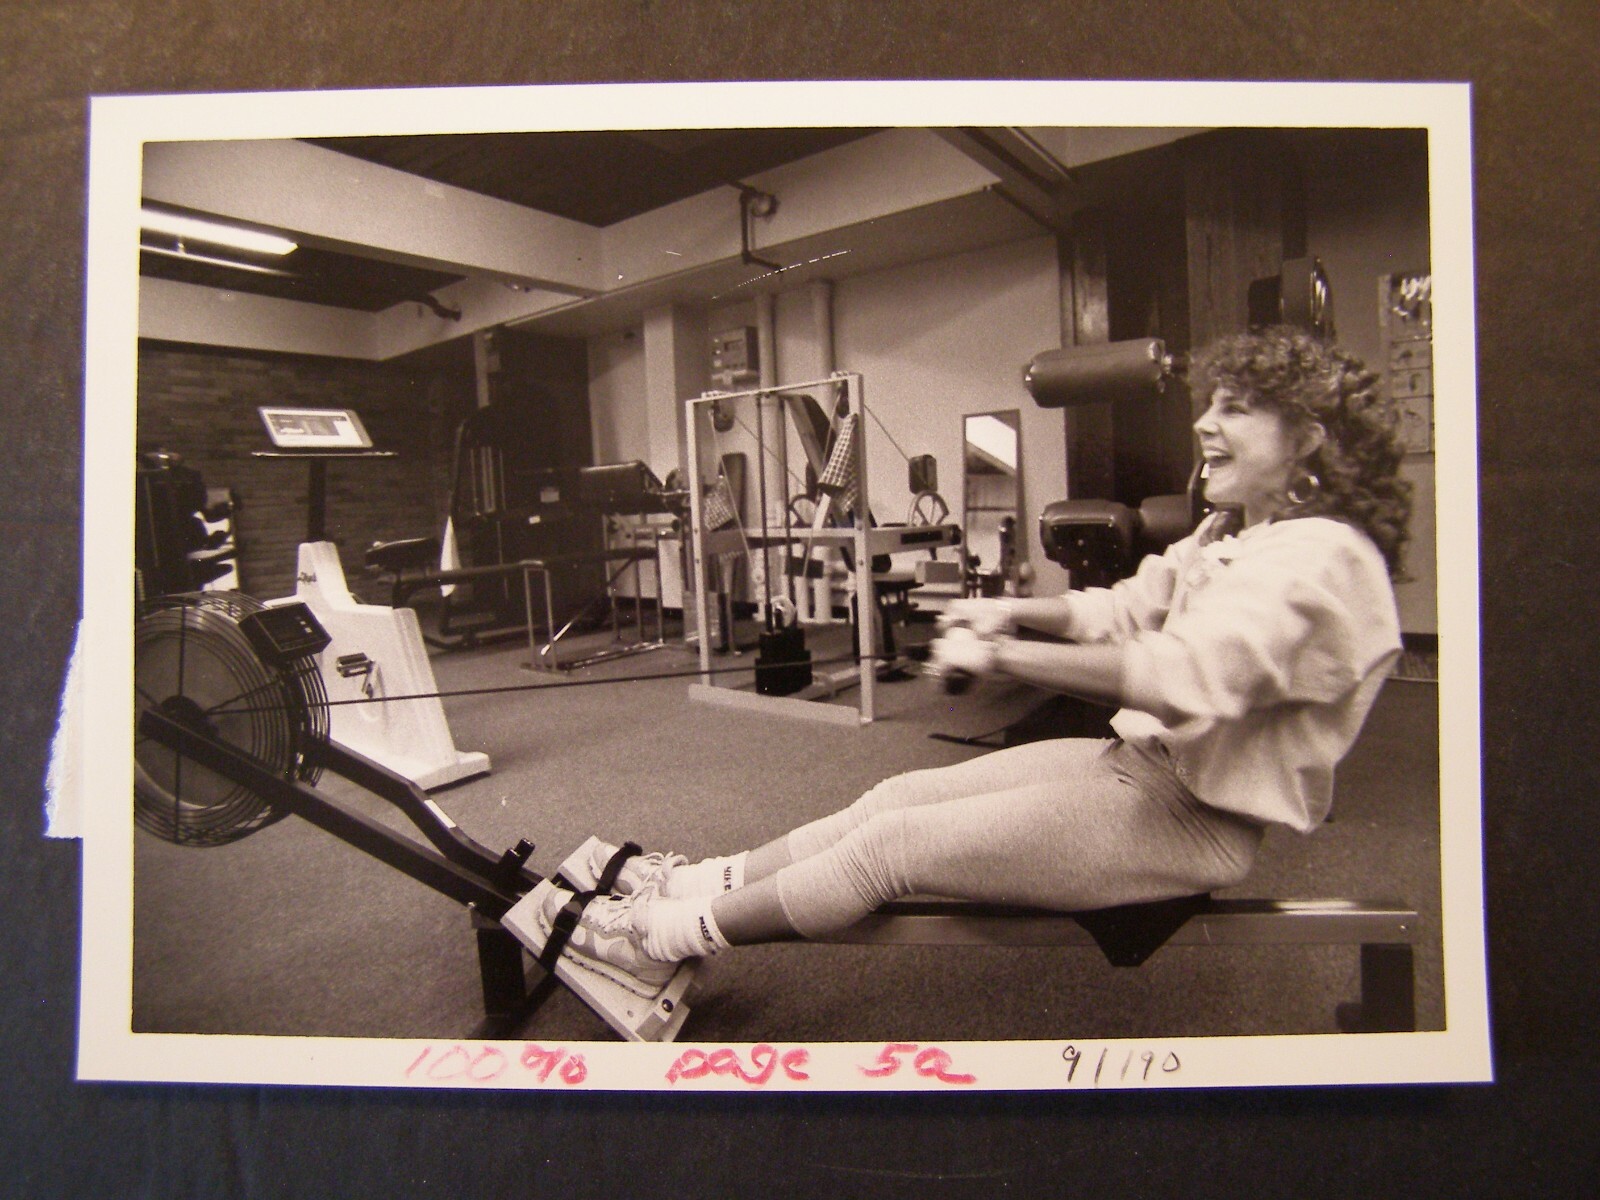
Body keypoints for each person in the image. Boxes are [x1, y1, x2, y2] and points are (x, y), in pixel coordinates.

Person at [518, 326, 1413, 999]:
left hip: (1195, 822)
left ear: (1309, 439)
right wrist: (1008, 607)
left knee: (893, 851)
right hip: (1130, 766)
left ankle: (664, 934)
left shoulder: (1322, 558)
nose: (1205, 424)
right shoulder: (1232, 531)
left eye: (1237, 409)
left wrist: (1005, 655)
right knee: (894, 797)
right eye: (1209, 403)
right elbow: (1119, 609)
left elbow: (1184, 674)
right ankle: (695, 878)